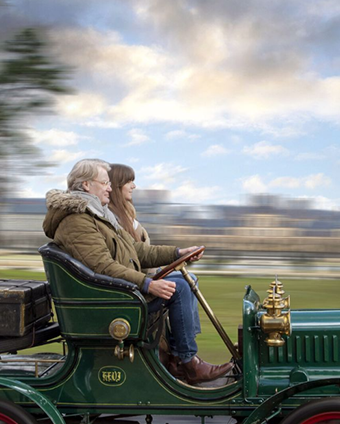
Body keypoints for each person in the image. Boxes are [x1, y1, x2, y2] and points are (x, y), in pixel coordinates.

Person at [42, 158, 233, 385]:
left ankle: (179, 358)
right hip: (112, 300)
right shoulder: (78, 221)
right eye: (105, 183)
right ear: (86, 185)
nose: (110, 188)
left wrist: (177, 253)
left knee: (183, 279)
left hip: (118, 291)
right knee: (181, 287)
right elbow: (103, 267)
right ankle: (188, 362)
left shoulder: (96, 215)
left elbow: (136, 250)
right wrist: (147, 284)